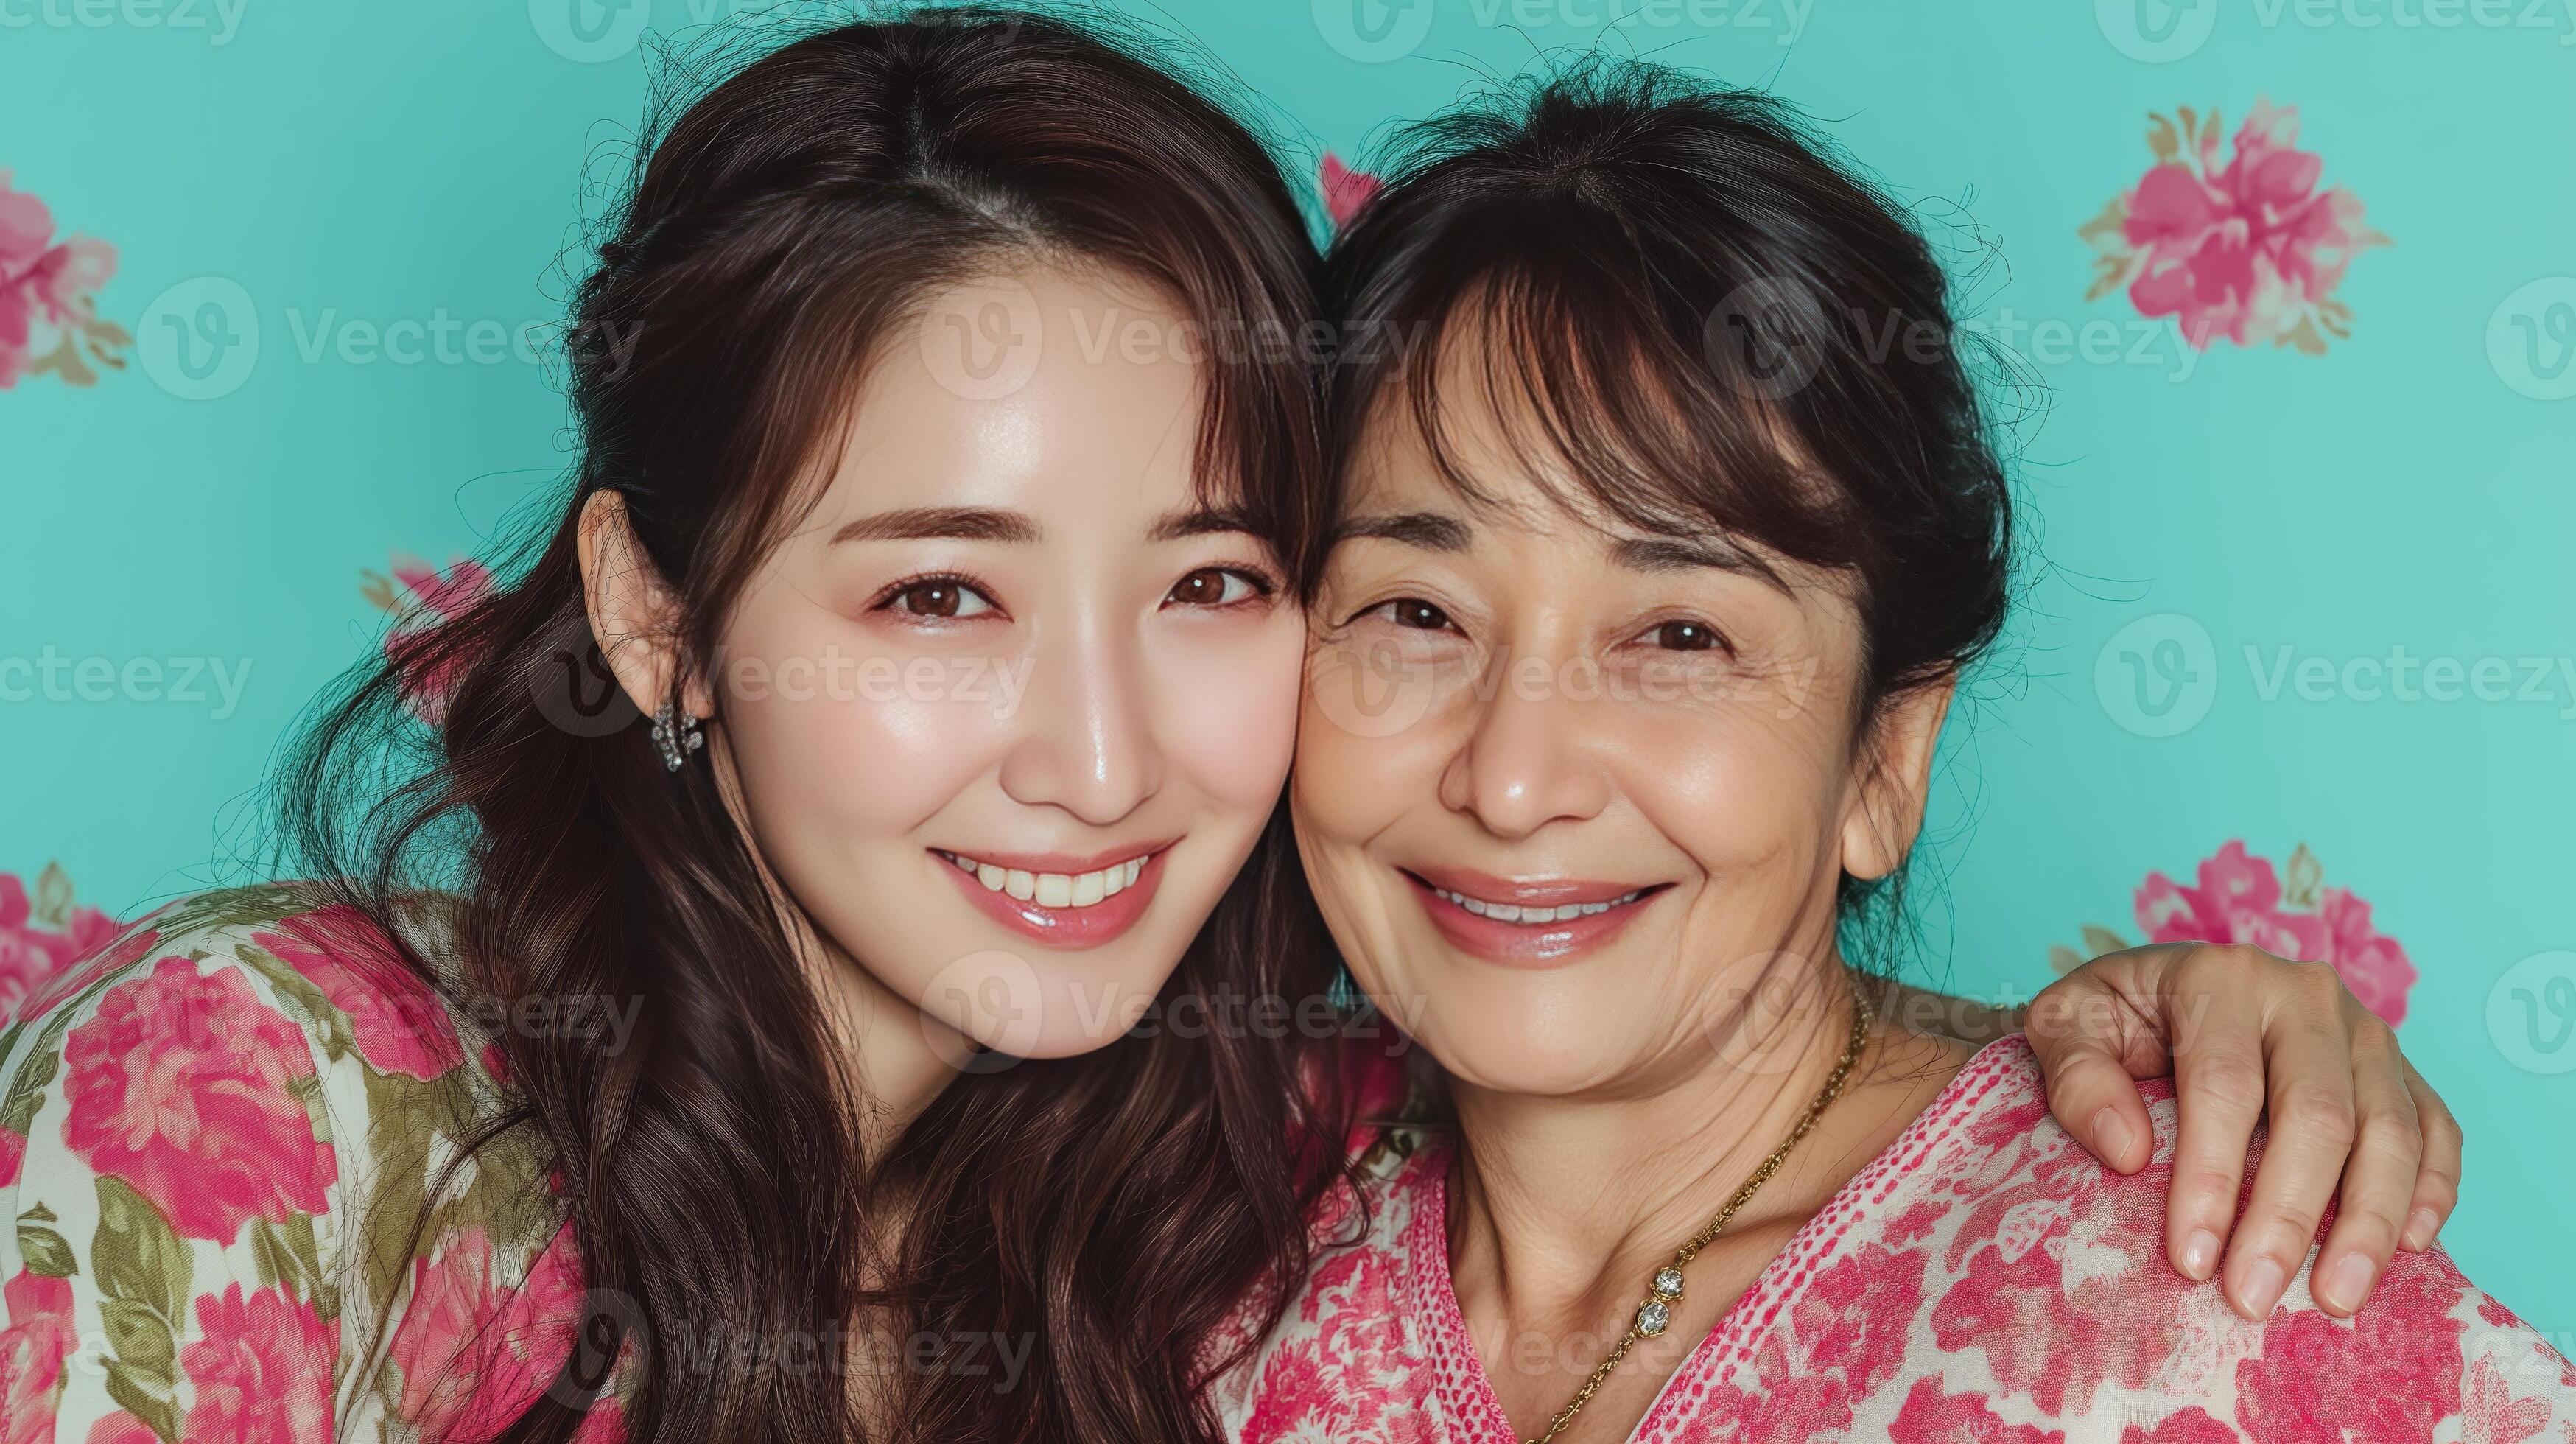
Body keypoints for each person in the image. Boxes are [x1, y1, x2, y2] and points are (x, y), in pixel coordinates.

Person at [0, 14, 2471, 1444]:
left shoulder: (1203, 1177)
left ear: (1884, 748)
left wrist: (2111, 1049)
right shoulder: (278, 1114)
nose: (1094, 759)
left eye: (1205, 583)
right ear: (655, 619)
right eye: (940, 589)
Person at [1221, 57, 2565, 1443]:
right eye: (1415, 613)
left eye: (1679, 636)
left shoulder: (2219, 1288)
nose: (1509, 783)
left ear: (1886, 755)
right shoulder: (1176, 1227)